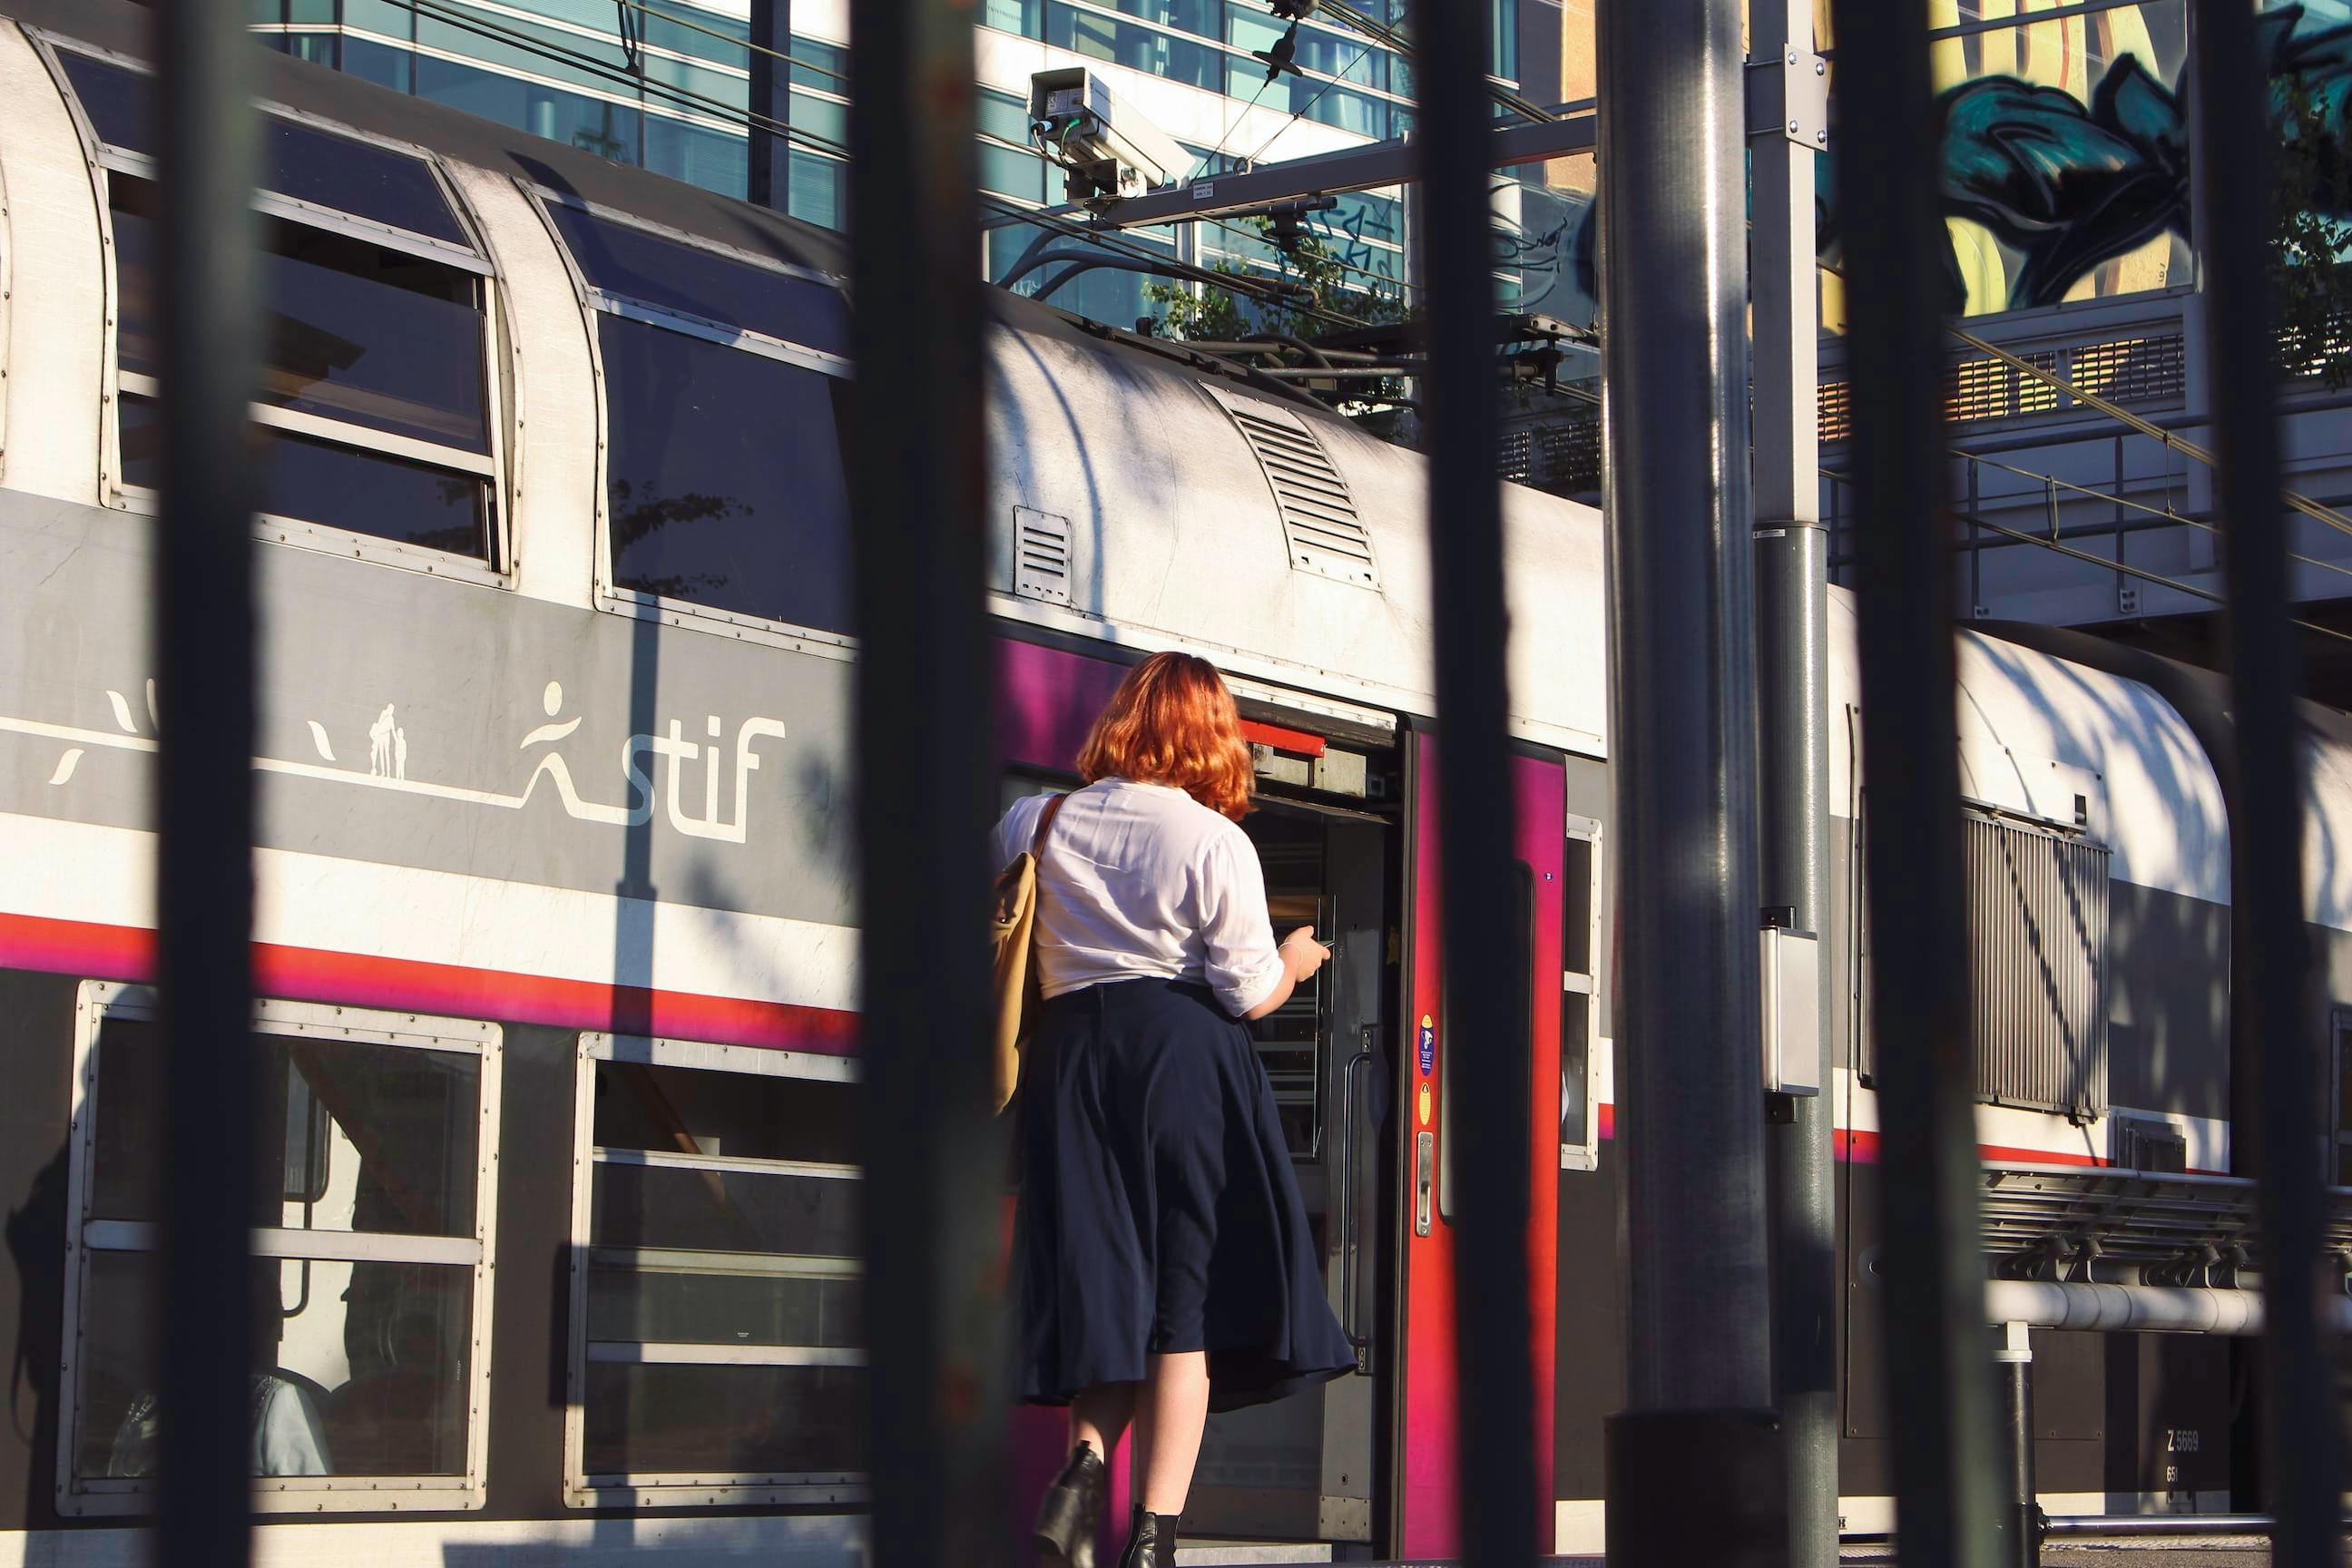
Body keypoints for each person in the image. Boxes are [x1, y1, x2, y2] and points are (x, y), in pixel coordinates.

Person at [1000, 652, 1355, 1568]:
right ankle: (1153, 1537)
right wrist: (1297, 962)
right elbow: (1246, 994)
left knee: (1103, 1282)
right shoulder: (1211, 840)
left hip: (1070, 1064)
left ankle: (1082, 1472)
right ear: (1209, 732)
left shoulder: (1034, 819)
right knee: (1180, 1307)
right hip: (1180, 1063)